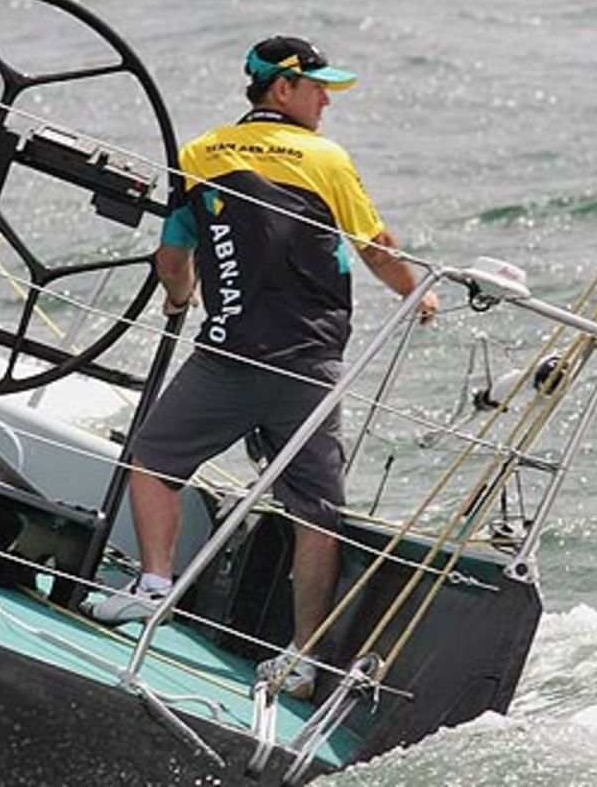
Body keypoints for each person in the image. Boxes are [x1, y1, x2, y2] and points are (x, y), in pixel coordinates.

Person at [83, 35, 438, 698]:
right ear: (283, 90)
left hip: (226, 355)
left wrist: (179, 297)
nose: (327, 100)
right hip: (307, 366)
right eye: (317, 88)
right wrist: (421, 292)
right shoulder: (327, 159)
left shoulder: (202, 152)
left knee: (154, 460)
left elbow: (173, 255)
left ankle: (154, 586)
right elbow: (377, 248)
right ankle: (303, 659)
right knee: (315, 512)